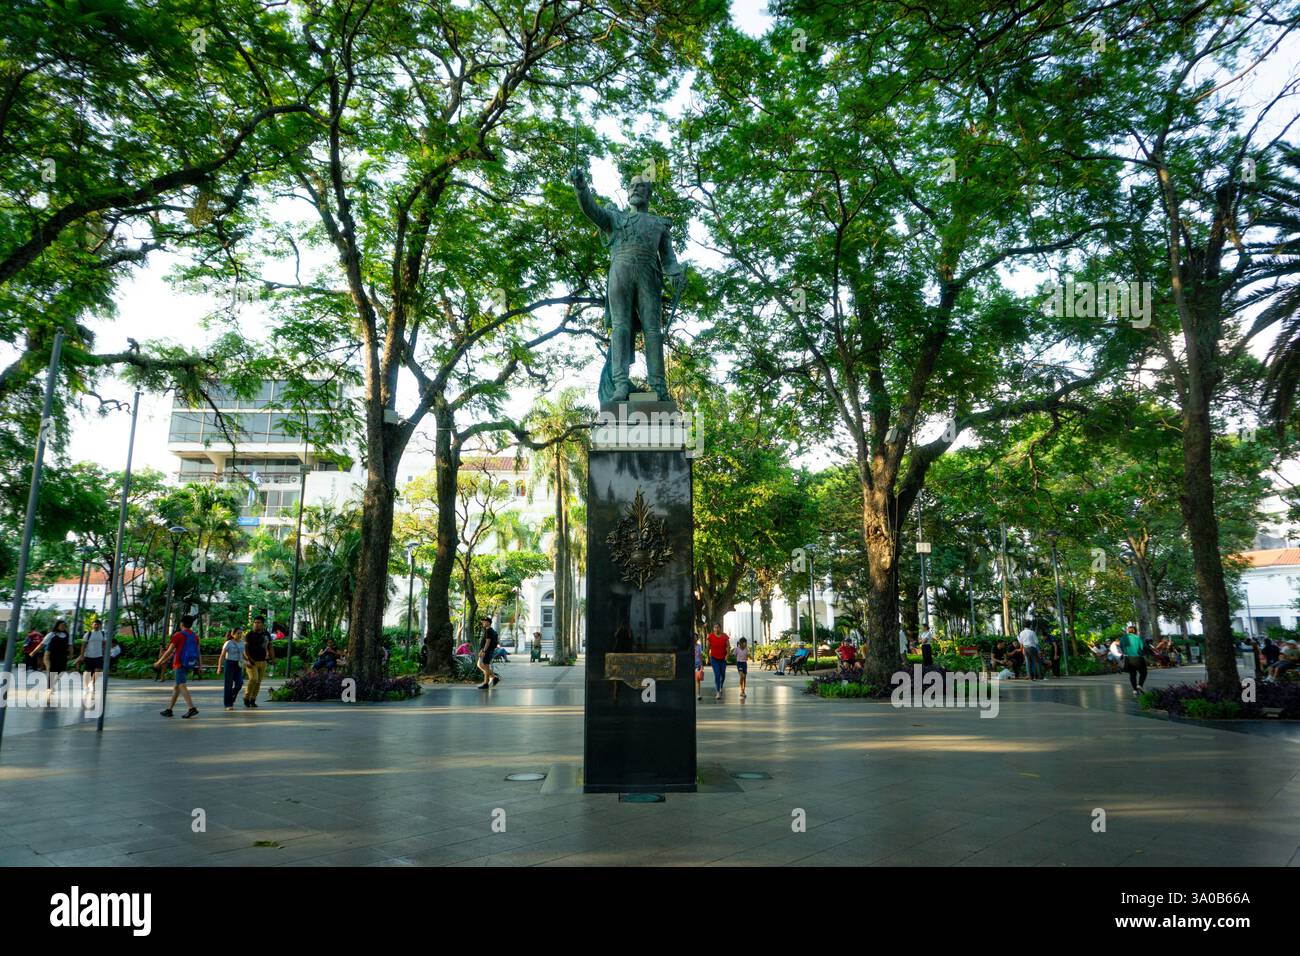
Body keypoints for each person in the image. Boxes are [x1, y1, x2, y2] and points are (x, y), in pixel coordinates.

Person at [154, 614, 200, 718]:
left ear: (181, 624)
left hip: (179, 663)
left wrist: (159, 662)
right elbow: (198, 652)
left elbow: (170, 651)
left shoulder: (178, 635)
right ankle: (169, 710)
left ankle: (191, 708)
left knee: (181, 685)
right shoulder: (195, 636)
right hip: (189, 663)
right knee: (177, 686)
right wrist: (200, 666)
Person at [73, 615, 107, 702]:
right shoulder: (88, 634)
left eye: (98, 624)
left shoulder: (103, 634)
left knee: (97, 671)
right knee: (87, 672)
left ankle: (92, 684)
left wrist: (104, 653)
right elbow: (83, 645)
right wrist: (82, 655)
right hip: (88, 656)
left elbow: (104, 644)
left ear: (100, 625)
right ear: (92, 625)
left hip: (98, 656)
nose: (96, 626)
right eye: (95, 624)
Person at [243, 616, 274, 708]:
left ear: (262, 624)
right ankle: (246, 697)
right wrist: (248, 659)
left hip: (263, 661)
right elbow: (245, 648)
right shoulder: (249, 635)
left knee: (258, 682)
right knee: (253, 679)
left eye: (258, 623)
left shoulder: (267, 634)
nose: (256, 624)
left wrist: (273, 658)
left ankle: (253, 699)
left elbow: (270, 646)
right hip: (252, 662)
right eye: (255, 622)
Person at [39, 619, 73, 697]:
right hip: (53, 655)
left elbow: (70, 645)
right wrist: (34, 652)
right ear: (57, 626)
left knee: (61, 672)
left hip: (63, 656)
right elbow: (43, 643)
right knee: (52, 671)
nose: (63, 627)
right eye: (61, 625)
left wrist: (71, 654)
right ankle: (49, 688)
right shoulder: (52, 634)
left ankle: (52, 685)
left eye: (64, 625)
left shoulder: (67, 635)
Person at [217, 628, 246, 711]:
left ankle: (231, 695)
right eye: (238, 633)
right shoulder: (228, 643)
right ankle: (228, 704)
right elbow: (222, 656)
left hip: (238, 664)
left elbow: (243, 655)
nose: (240, 635)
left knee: (239, 683)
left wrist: (247, 661)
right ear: (233, 634)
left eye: (241, 633)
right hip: (229, 663)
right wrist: (219, 667)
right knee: (228, 685)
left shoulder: (242, 643)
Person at [1120, 624, 1147, 695]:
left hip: (1128, 658)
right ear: (1135, 631)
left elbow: (1121, 647)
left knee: (1132, 674)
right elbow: (1142, 648)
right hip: (1138, 658)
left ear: (1128, 631)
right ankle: (1140, 685)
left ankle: (1134, 690)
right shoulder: (1138, 638)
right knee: (1143, 672)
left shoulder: (1123, 638)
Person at [706, 627, 730, 700]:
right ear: (713, 629)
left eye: (718, 627)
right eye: (715, 628)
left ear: (720, 628)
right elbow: (708, 648)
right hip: (714, 658)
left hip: (723, 659)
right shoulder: (711, 636)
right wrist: (707, 657)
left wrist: (727, 655)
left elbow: (728, 646)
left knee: (723, 675)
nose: (716, 629)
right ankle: (718, 692)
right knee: (717, 674)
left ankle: (721, 686)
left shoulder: (724, 636)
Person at [477, 616, 500, 689]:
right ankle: (494, 677)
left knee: (485, 666)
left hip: (487, 651)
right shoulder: (489, 630)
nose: (482, 622)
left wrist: (484, 651)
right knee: (479, 665)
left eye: (484, 621)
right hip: (485, 650)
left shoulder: (489, 630)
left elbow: (488, 642)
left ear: (488, 622)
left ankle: (486, 683)